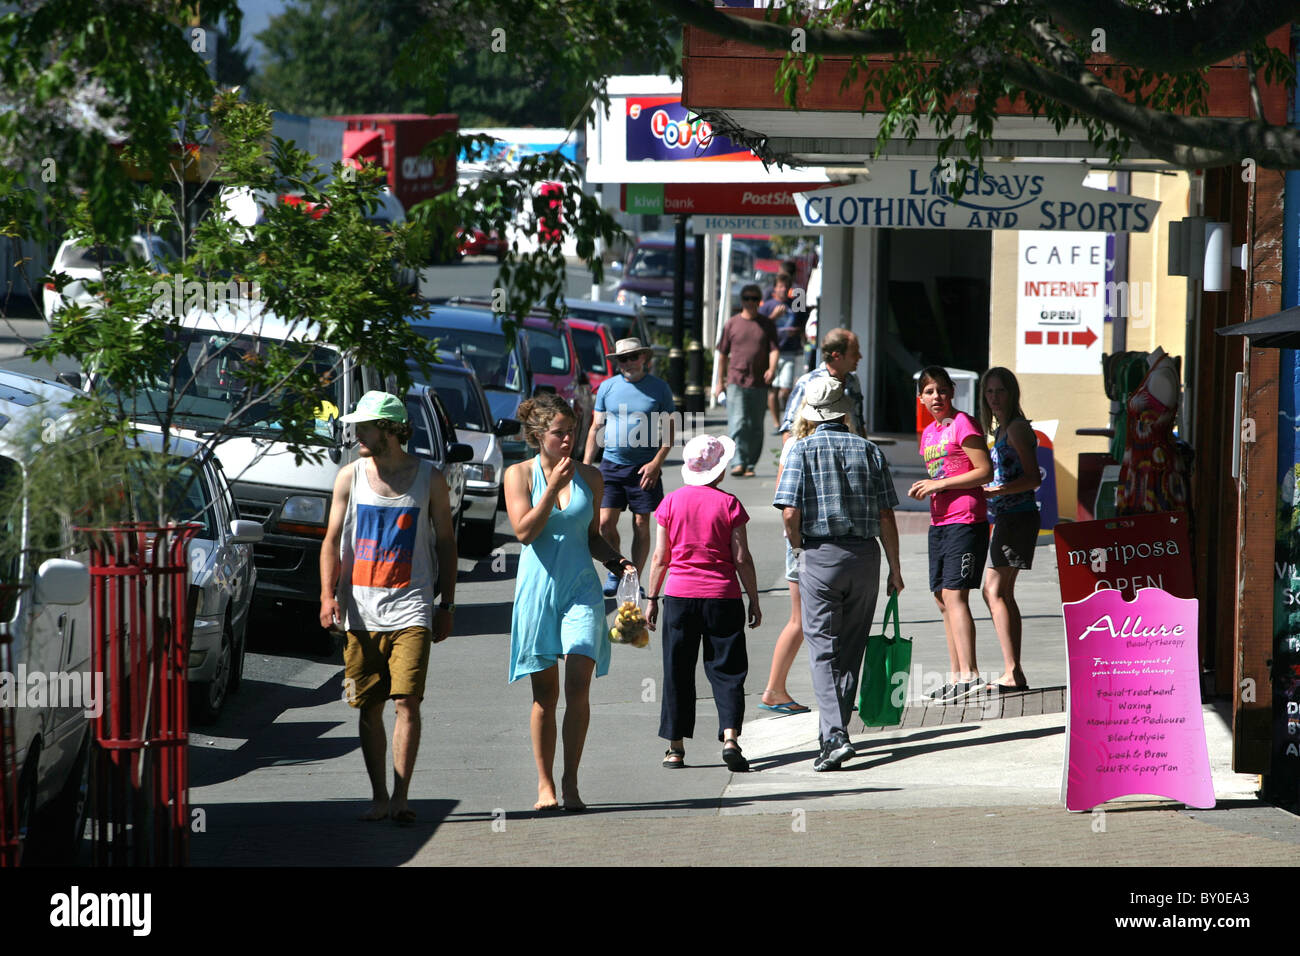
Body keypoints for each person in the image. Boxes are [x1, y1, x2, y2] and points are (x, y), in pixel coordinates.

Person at [320, 391, 458, 825]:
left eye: (365, 426)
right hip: (360, 609)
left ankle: (401, 795)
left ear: (392, 429)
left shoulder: (429, 479)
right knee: (368, 706)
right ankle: (379, 795)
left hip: (412, 607)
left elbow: (447, 543)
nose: (357, 433)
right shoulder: (350, 477)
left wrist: (446, 603)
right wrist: (327, 595)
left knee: (407, 702)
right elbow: (330, 540)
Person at [507, 392, 636, 811]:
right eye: (560, 433)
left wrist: (616, 560)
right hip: (537, 590)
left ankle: (571, 782)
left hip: (581, 589)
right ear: (539, 435)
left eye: (572, 432)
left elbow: (591, 536)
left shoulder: (592, 477)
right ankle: (545, 786)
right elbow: (525, 532)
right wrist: (552, 490)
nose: (568, 440)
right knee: (545, 693)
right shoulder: (519, 475)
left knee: (578, 682)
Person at [773, 377, 904, 771]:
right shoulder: (869, 451)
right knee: (850, 650)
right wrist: (895, 568)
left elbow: (790, 512)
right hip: (865, 557)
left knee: (822, 650)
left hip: (820, 556)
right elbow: (885, 515)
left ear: (812, 415)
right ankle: (834, 734)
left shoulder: (801, 450)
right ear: (844, 410)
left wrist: (797, 549)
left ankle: (833, 736)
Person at [644, 434, 760, 771]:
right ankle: (730, 738)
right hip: (722, 597)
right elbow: (742, 558)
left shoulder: (670, 503)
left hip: (679, 596)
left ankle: (675, 748)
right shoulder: (730, 505)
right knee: (728, 669)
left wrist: (652, 598)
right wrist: (753, 599)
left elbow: (659, 558)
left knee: (677, 669)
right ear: (719, 472)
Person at [908, 366, 993, 702]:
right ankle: (957, 675)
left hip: (966, 518)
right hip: (939, 522)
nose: (936, 397)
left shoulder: (964, 423)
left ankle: (970, 673)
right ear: (921, 398)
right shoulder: (929, 432)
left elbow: (984, 471)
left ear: (952, 392)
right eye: (929, 392)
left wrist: (939, 484)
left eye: (942, 390)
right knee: (942, 598)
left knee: (956, 594)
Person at [584, 337, 676, 596]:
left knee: (641, 522)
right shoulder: (607, 388)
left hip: (644, 467)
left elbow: (670, 431)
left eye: (633, 357)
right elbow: (595, 428)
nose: (628, 363)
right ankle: (617, 569)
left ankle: (633, 578)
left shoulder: (659, 389)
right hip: (611, 465)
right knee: (604, 523)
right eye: (622, 359)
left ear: (644, 358)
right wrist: (587, 466)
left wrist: (657, 463)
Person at [978, 368, 1040, 692]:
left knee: (994, 590)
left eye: (1000, 391)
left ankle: (1013, 671)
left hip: (1017, 514)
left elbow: (1034, 478)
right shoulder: (1001, 428)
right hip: (1007, 516)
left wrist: (998, 491)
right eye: (989, 392)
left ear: (1012, 393)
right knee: (1000, 592)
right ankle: (1013, 670)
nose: (994, 397)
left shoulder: (1015, 427)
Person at [716, 283, 779, 477]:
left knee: (756, 425)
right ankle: (738, 461)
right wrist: (720, 382)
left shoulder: (766, 324)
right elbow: (722, 354)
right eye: (747, 299)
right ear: (742, 301)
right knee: (738, 421)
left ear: (759, 301)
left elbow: (774, 349)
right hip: (736, 380)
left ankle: (750, 464)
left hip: (759, 382)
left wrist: (772, 368)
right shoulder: (732, 324)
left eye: (754, 299)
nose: (751, 302)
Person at [779, 328, 865, 438]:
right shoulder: (808, 382)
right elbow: (789, 429)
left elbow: (859, 425)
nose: (860, 357)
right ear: (836, 356)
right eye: (854, 353)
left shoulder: (853, 381)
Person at [759, 272, 806, 434]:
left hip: (789, 351)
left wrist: (797, 331)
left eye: (786, 286)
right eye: (780, 286)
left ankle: (787, 418)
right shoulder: (767, 306)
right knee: (773, 389)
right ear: (774, 288)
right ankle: (776, 423)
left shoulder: (795, 305)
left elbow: (802, 324)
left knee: (785, 389)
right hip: (771, 352)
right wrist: (773, 317)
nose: (783, 289)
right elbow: (758, 328)